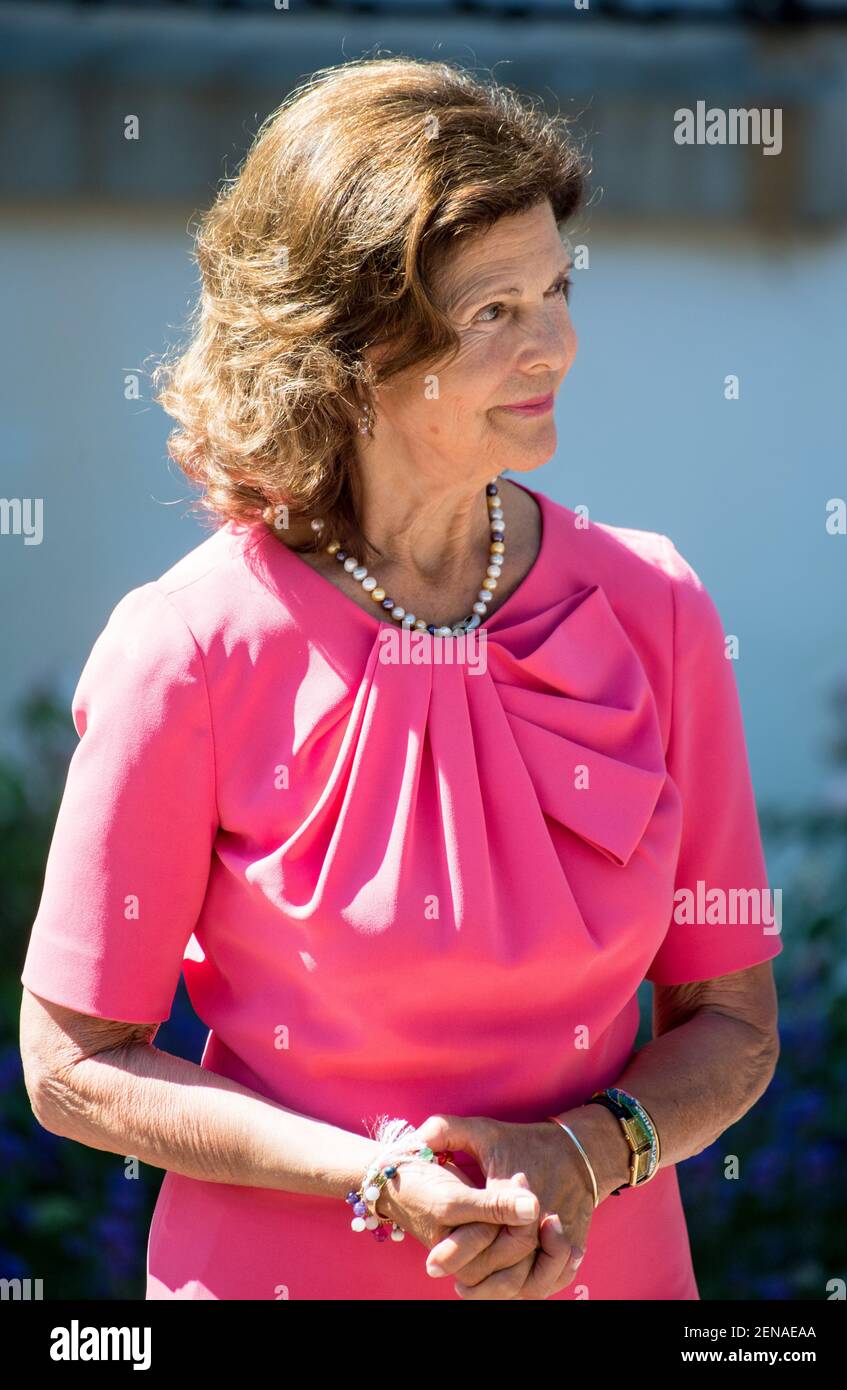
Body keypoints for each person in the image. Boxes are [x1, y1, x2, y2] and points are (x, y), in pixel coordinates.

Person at [19, 56, 782, 1301]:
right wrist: (374, 1177)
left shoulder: (657, 609)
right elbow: (72, 1062)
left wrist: (584, 1156)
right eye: (494, 312)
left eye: (556, 290)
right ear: (356, 345)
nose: (557, 345)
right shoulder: (189, 646)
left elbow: (734, 1023)